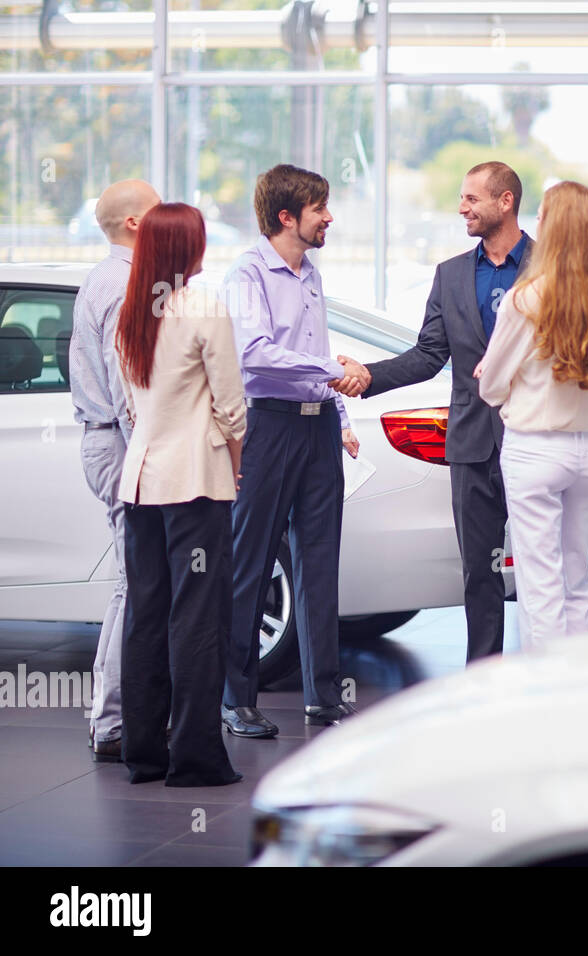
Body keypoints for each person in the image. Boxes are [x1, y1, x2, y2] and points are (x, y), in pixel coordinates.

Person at [336, 161, 531, 663]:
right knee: (479, 573)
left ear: (505, 201)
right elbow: (428, 356)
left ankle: (543, 676)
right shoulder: (450, 276)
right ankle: (483, 674)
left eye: (472, 199)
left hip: (536, 439)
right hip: (470, 445)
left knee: (540, 566)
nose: (461, 208)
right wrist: (368, 376)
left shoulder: (550, 267)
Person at [221, 164, 364, 736]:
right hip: (269, 428)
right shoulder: (247, 274)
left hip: (318, 427)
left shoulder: (311, 274)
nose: (329, 217)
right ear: (287, 216)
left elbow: (316, 348)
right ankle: (236, 699)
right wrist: (335, 372)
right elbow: (254, 353)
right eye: (319, 208)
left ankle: (323, 697)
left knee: (320, 560)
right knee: (249, 564)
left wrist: (343, 414)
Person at [473, 181, 588, 649]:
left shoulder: (528, 297)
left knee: (539, 586)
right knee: (575, 582)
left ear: (556, 230)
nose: (536, 223)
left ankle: (544, 699)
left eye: (542, 216)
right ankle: (574, 691)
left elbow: (490, 385)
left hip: (534, 451)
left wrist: (500, 375)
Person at [115, 202, 244, 787]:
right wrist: (235, 467)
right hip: (194, 483)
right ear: (189, 248)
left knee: (146, 617)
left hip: (141, 485)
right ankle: (194, 759)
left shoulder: (130, 312)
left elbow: (130, 404)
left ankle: (143, 755)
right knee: (196, 621)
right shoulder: (202, 306)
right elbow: (232, 409)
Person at [70, 179, 161, 762]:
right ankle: (112, 724)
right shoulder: (125, 286)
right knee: (136, 584)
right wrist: (150, 464)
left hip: (111, 442)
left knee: (137, 582)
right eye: (157, 209)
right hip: (122, 447)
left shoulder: (106, 278)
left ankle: (117, 718)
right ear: (134, 224)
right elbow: (129, 393)